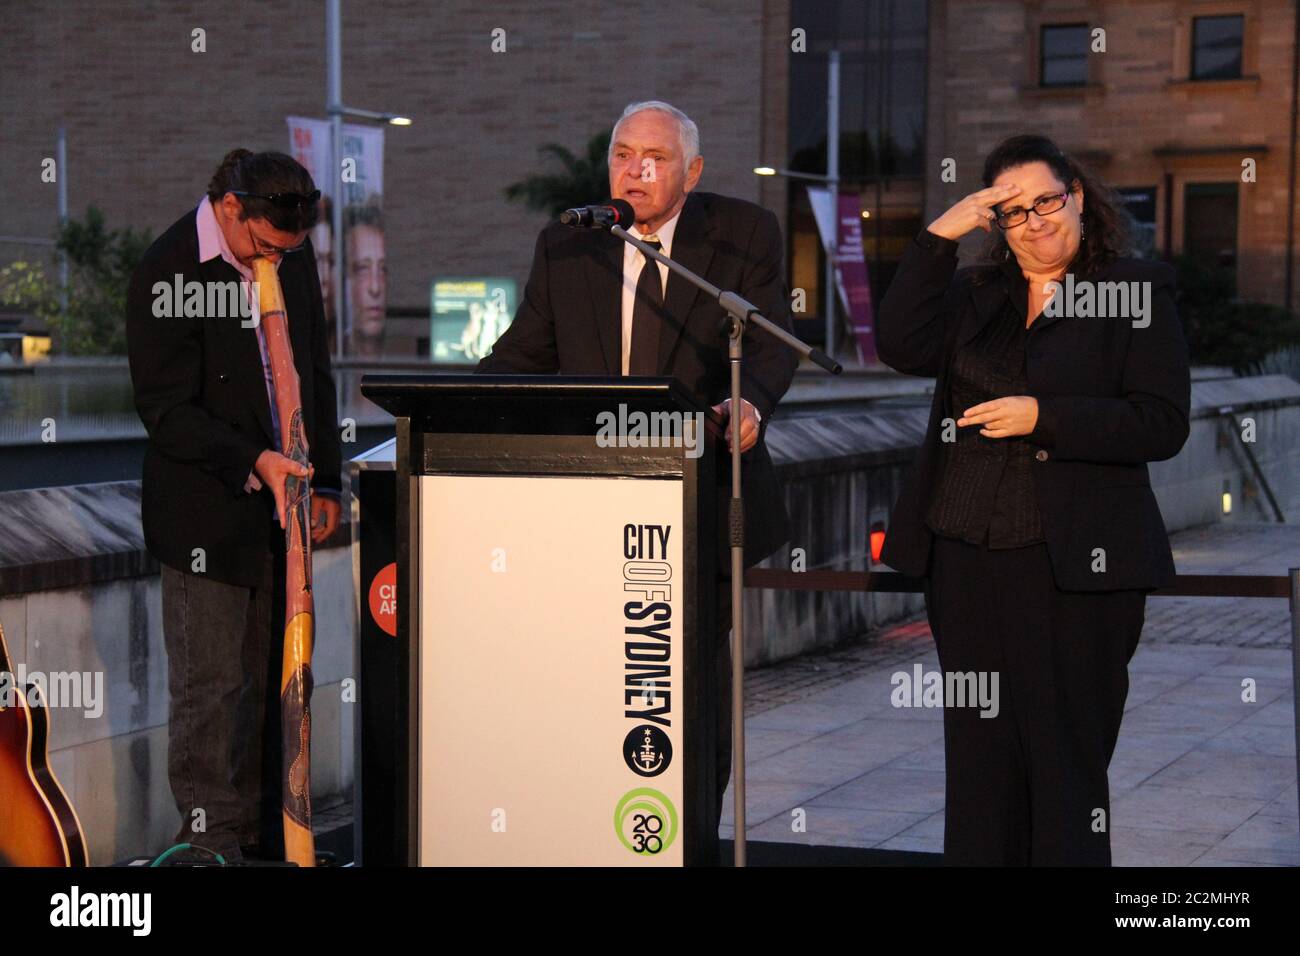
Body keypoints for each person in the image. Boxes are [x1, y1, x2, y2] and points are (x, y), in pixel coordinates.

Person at [477, 100, 799, 835]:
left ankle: (690, 838)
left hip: (700, 501)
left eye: (654, 157)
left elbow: (772, 340)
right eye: (624, 153)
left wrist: (748, 405)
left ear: (693, 170)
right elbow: (524, 356)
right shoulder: (570, 242)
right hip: (589, 515)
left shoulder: (743, 233)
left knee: (688, 696)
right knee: (596, 689)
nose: (636, 170)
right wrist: (453, 406)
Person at [876, 134, 1191, 866]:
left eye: (1046, 201)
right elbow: (897, 343)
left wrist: (1042, 415)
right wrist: (936, 237)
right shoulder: (975, 295)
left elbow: (1162, 421)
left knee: (1064, 765)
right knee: (980, 765)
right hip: (965, 561)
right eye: (1013, 212)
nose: (1035, 220)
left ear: (1076, 195)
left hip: (1076, 571)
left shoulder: (1136, 292)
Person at [126, 149, 343, 863]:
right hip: (206, 512)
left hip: (284, 514)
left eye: (290, 249)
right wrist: (255, 459)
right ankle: (208, 847)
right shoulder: (169, 269)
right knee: (210, 692)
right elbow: (167, 412)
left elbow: (314, 370)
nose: (277, 262)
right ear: (230, 210)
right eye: (266, 248)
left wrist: (329, 482)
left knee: (274, 684)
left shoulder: (290, 252)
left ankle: (262, 838)